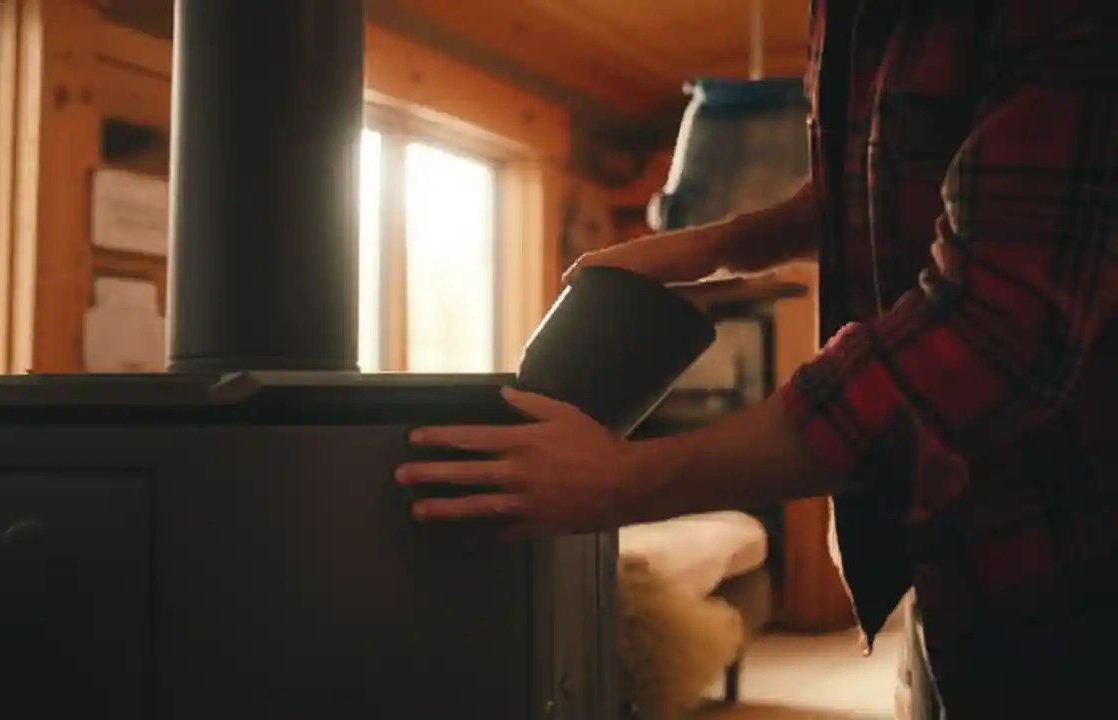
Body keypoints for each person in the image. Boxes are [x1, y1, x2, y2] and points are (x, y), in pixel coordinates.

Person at [395, 0, 1118, 715]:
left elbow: (988, 328)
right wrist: (721, 246)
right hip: (947, 560)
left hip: (1069, 560)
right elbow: (876, 183)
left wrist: (625, 479)